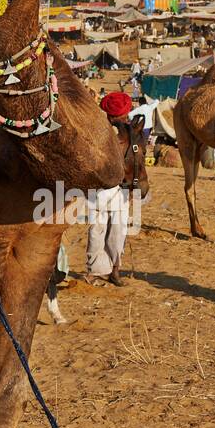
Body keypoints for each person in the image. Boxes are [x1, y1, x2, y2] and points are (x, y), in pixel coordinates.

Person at [86, 92, 134, 287]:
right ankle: (95, 272)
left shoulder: (130, 132)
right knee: (98, 229)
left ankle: (115, 270)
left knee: (118, 230)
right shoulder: (96, 131)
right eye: (123, 116)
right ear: (113, 117)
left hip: (120, 187)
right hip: (100, 187)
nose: (126, 118)